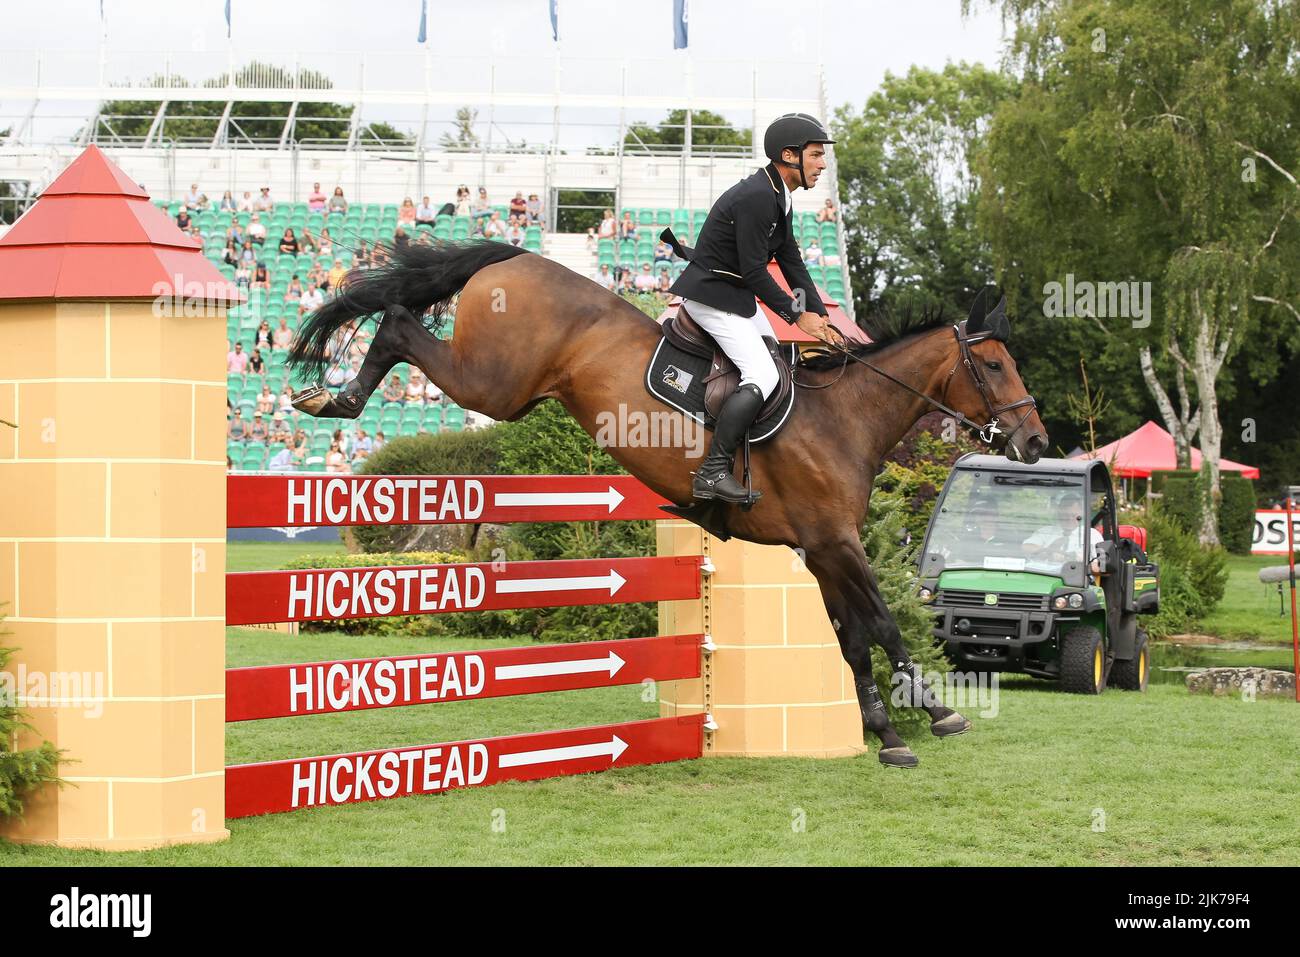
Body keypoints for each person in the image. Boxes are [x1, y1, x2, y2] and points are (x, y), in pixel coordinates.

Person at [663, 113, 844, 503]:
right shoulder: (757, 197)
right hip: (713, 296)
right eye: (815, 155)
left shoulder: (779, 197)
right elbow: (755, 272)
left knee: (776, 362)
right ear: (788, 155)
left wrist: (821, 315)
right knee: (762, 374)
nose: (822, 164)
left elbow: (792, 262)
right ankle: (712, 472)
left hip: (734, 296)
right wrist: (798, 315)